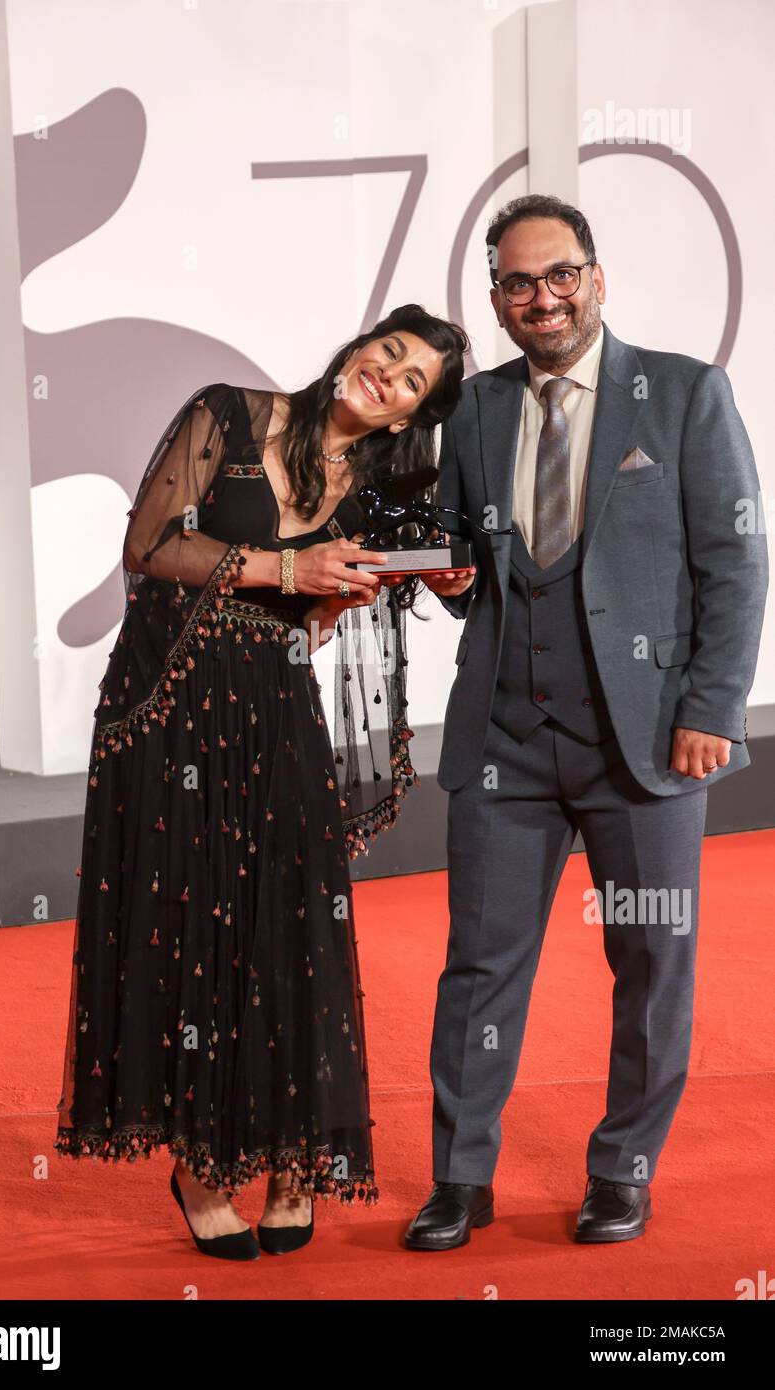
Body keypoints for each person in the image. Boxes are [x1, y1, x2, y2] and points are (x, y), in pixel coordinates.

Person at [55, 303, 469, 1259]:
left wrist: (359, 588)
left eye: (411, 381)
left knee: (291, 927)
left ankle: (291, 1152)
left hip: (275, 710)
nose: (389, 375)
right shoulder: (230, 415)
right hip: (167, 700)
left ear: (411, 415)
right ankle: (201, 1166)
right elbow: (150, 548)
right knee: (185, 922)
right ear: (360, 346)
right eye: (390, 351)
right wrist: (289, 566)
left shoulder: (373, 489)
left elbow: (318, 617)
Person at [407, 194, 768, 1250]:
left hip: (647, 747)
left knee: (650, 960)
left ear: (596, 278)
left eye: (560, 274)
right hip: (503, 745)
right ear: (496, 301)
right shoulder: (475, 409)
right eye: (518, 283)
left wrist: (711, 707)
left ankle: (622, 1170)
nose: (543, 298)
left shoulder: (685, 393)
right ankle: (459, 1178)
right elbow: (463, 565)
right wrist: (441, 573)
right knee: (478, 965)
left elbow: (735, 562)